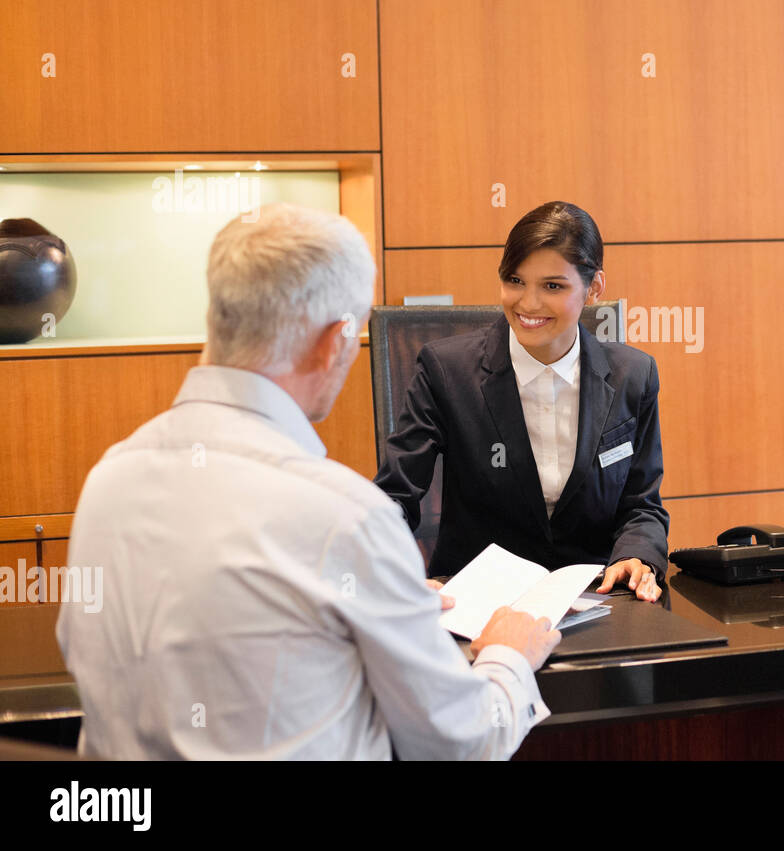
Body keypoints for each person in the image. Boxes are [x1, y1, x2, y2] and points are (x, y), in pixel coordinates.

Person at [56, 203, 559, 760]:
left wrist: (380, 594)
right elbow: (464, 741)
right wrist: (508, 655)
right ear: (333, 341)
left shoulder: (108, 481)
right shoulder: (343, 516)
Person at [375, 201, 669, 602]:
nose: (528, 304)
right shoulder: (447, 370)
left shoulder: (633, 376)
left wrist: (638, 555)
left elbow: (642, 504)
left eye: (552, 286)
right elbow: (395, 495)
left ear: (595, 287)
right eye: (515, 281)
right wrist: (392, 573)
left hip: (596, 601)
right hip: (475, 603)